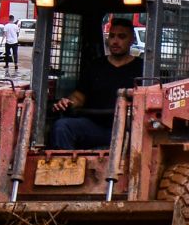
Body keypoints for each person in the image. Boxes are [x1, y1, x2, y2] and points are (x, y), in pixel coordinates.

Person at [51, 18, 143, 150]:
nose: (115, 41)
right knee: (62, 126)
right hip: (95, 126)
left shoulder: (142, 68)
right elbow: (79, 97)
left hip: (129, 129)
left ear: (132, 40)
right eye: (112, 36)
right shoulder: (95, 66)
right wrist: (67, 102)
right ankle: (66, 167)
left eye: (121, 37)